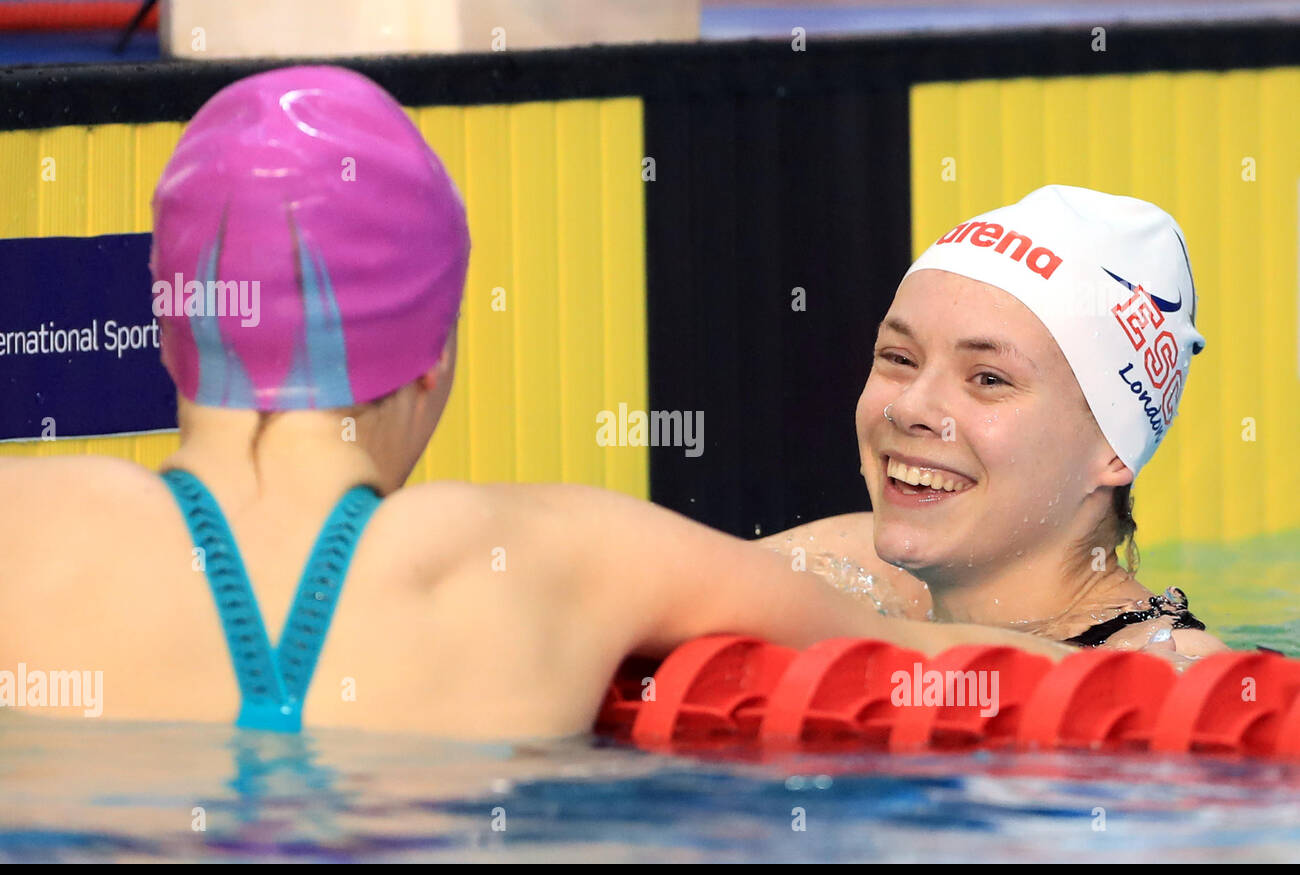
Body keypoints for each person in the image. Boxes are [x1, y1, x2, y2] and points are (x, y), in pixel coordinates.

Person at [0, 67, 1070, 739]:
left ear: (172, 320)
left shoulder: (27, 526)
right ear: (432, 354)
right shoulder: (558, 554)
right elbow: (933, 658)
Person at [763, 185, 1227, 662]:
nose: (908, 408)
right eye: (899, 358)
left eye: (988, 378)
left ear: (1112, 449)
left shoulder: (1175, 669)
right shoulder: (859, 564)